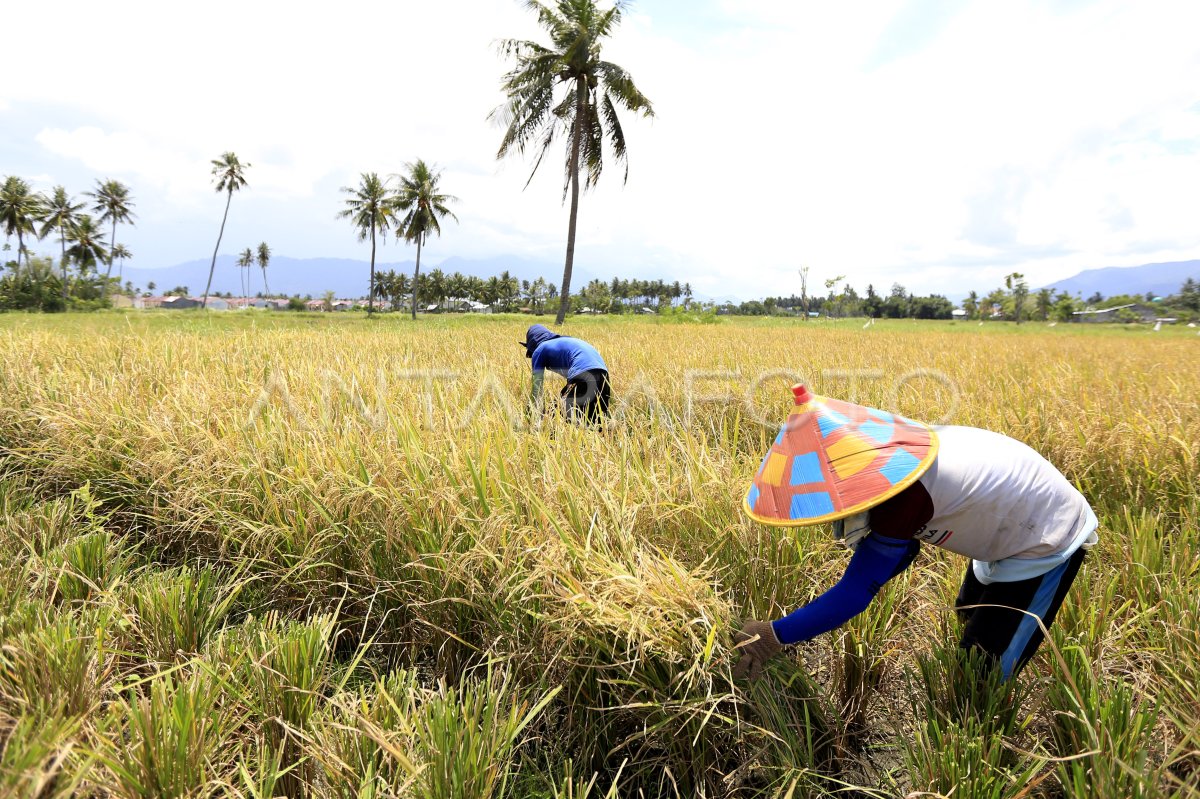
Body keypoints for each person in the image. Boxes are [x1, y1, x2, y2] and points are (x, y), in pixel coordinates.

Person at [733, 384, 1098, 681]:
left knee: (985, 665)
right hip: (1006, 513)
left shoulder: (902, 496)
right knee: (969, 610)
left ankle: (984, 733)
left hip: (1045, 534)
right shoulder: (888, 457)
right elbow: (901, 554)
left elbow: (856, 591)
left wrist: (774, 636)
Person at [521, 324, 612, 423]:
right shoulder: (565, 341)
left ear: (532, 343)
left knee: (554, 415)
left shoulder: (540, 349)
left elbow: (537, 388)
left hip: (583, 374)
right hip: (604, 376)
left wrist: (530, 412)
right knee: (596, 419)